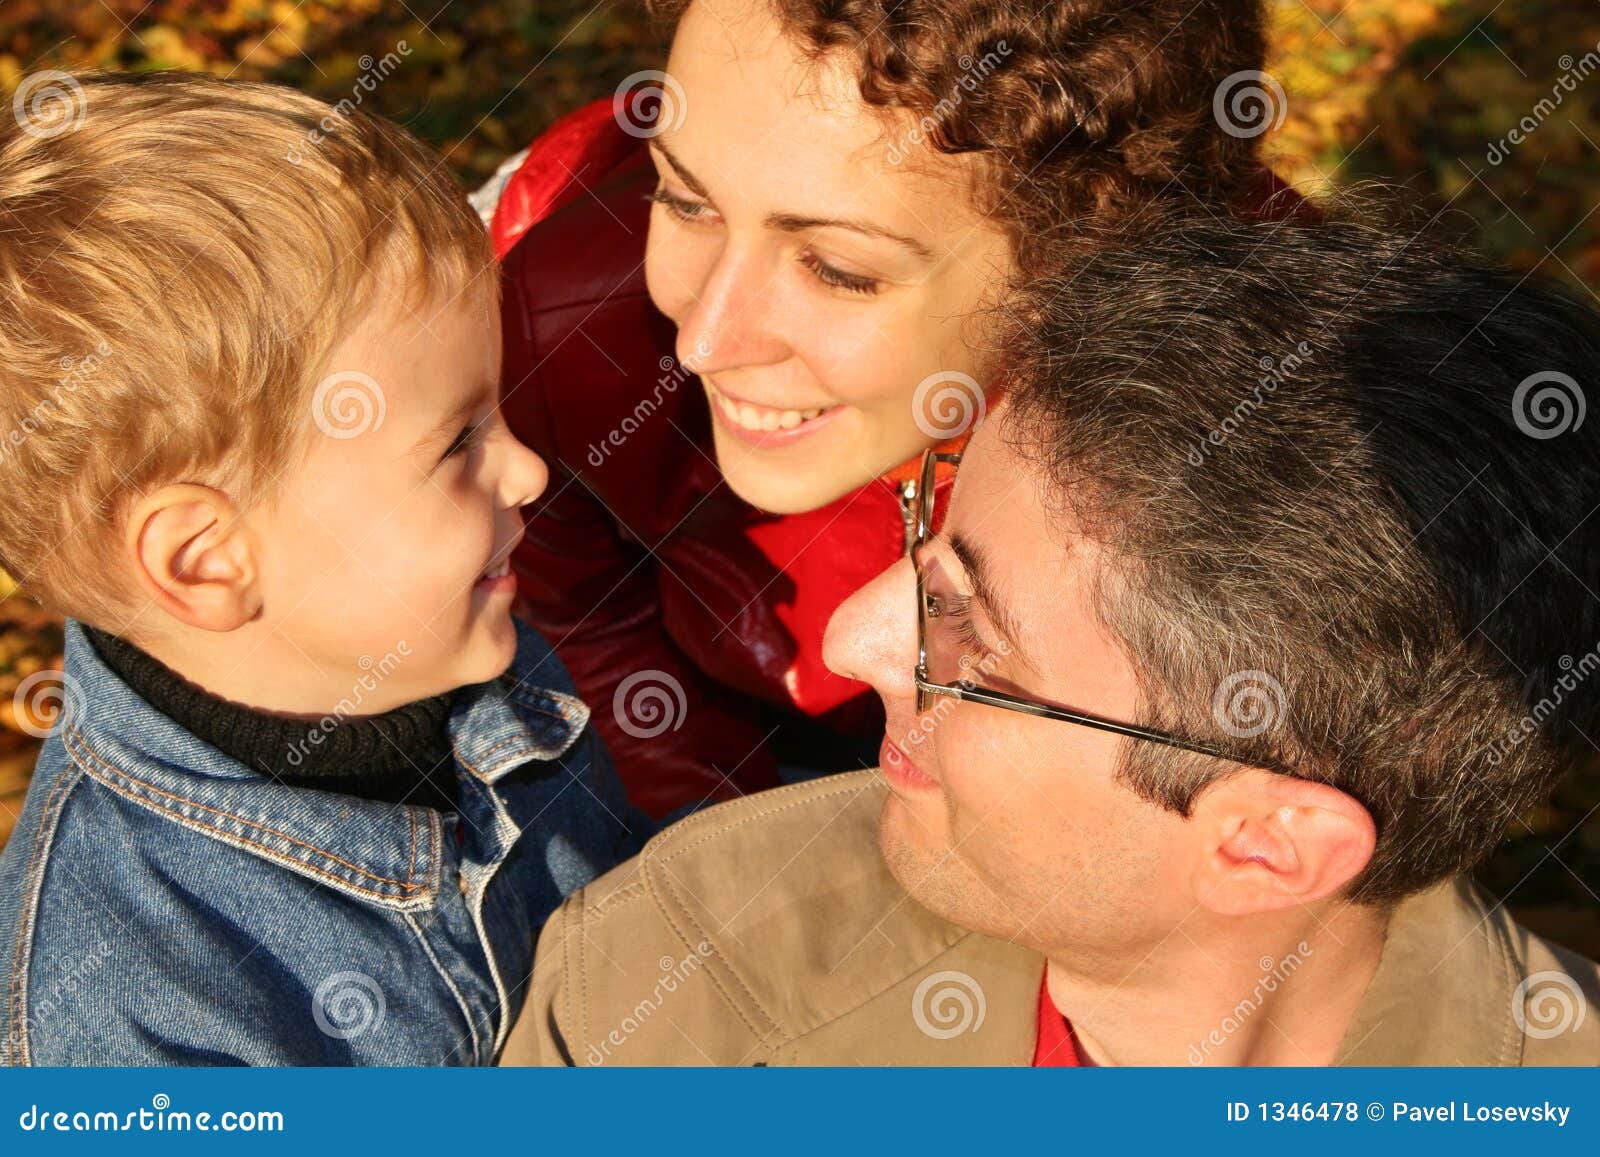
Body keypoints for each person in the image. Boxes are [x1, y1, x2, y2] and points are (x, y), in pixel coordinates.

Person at [503, 209, 1600, 1066]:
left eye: (972, 635)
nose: (850, 638)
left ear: (1263, 843)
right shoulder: (691, 950)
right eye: (929, 533)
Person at [489, 0, 1302, 817]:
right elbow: (591, 621)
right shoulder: (564, 329)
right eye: (684, 199)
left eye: (837, 269)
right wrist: (729, 850)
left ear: (1086, 269)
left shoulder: (1288, 422)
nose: (702, 341)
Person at [0, 72, 644, 1065]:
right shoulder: (128, 1011)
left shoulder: (467, 654)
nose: (525, 469)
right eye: (454, 442)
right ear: (208, 559)